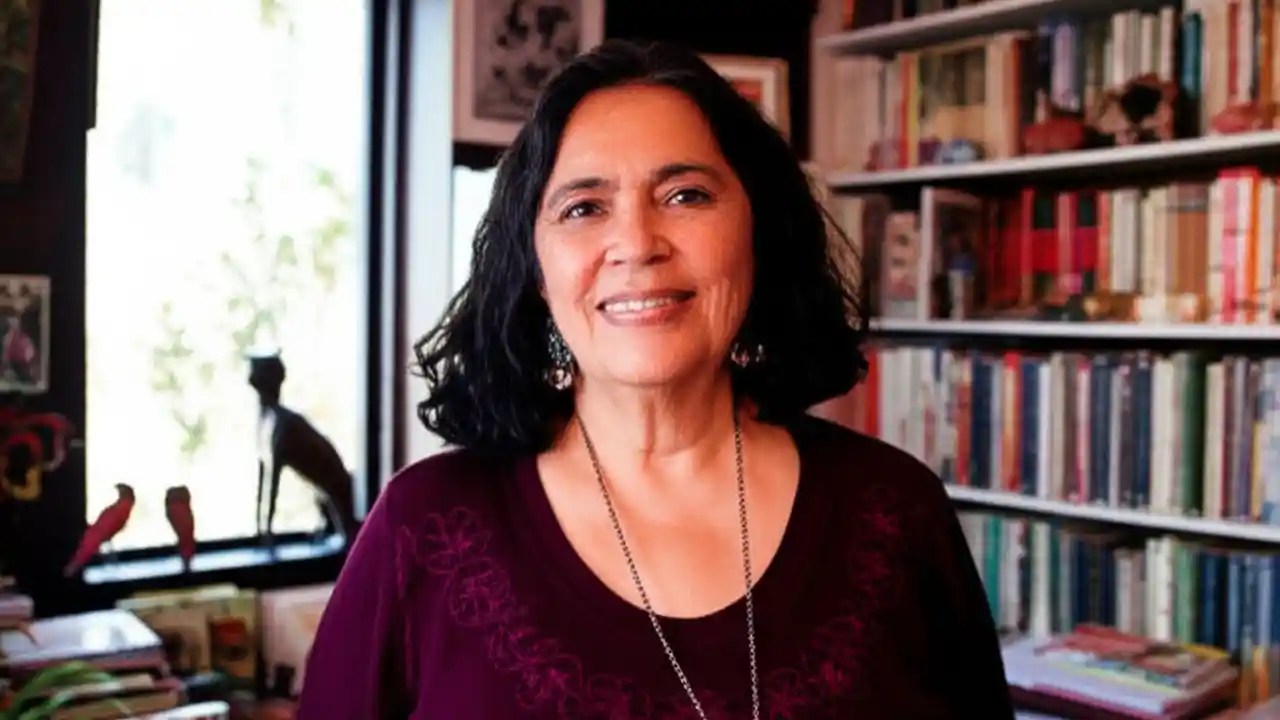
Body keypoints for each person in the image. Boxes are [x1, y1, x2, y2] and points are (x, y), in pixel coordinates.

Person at [297, 38, 1014, 719]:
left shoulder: (896, 510)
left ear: (757, 232)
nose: (637, 245)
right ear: (535, 269)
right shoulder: (424, 527)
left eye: (685, 196)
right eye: (584, 208)